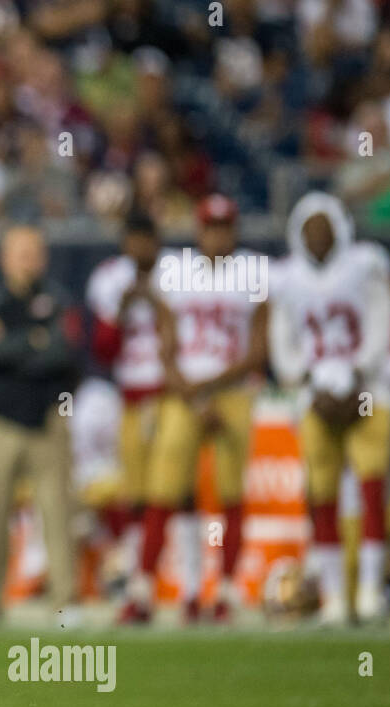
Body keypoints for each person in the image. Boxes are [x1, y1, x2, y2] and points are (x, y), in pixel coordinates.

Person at [120, 195, 268, 624]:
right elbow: (165, 345)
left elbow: (258, 351)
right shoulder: (176, 273)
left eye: (224, 227)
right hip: (185, 393)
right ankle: (141, 590)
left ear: (235, 230)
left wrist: (210, 389)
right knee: (161, 490)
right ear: (199, 230)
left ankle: (222, 593)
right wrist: (194, 394)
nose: (217, 235)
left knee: (231, 496)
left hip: (233, 393)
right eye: (210, 227)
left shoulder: (255, 273)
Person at [269, 191, 390, 625]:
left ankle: (370, 592)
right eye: (311, 231)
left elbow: (381, 323)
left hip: (367, 389)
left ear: (340, 229)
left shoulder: (364, 265)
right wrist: (307, 381)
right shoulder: (287, 278)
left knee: (372, 489)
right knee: (321, 495)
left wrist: (358, 377)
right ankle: (336, 596)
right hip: (316, 394)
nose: (319, 239)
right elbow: (282, 346)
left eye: (325, 230)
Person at [0, 225, 82, 623]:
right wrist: (31, 341)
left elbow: (63, 352)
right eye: (20, 253)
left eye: (33, 252)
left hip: (47, 418)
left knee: (58, 513)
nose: (27, 260)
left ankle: (65, 602)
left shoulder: (57, 301)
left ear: (43, 257)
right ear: (4, 258)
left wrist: (9, 345)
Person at [86, 211, 164, 573]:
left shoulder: (177, 275)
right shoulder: (110, 281)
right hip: (130, 395)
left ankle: (174, 579)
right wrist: (123, 309)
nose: (139, 249)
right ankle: (137, 573)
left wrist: (157, 303)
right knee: (133, 491)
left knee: (172, 490)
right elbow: (102, 349)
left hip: (171, 395)